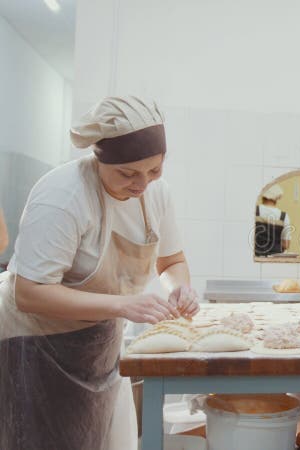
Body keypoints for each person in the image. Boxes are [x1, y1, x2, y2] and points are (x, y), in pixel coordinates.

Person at [0, 96, 200, 450]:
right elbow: (28, 293)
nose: (142, 184)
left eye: (154, 170)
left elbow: (171, 262)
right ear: (99, 159)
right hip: (34, 348)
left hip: (99, 348)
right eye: (127, 174)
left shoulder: (156, 195)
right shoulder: (63, 196)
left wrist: (180, 288)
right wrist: (122, 305)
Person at [255, 184, 291, 255]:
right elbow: (286, 244)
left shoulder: (255, 211)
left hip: (256, 257)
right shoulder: (283, 216)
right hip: (275, 259)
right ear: (277, 198)